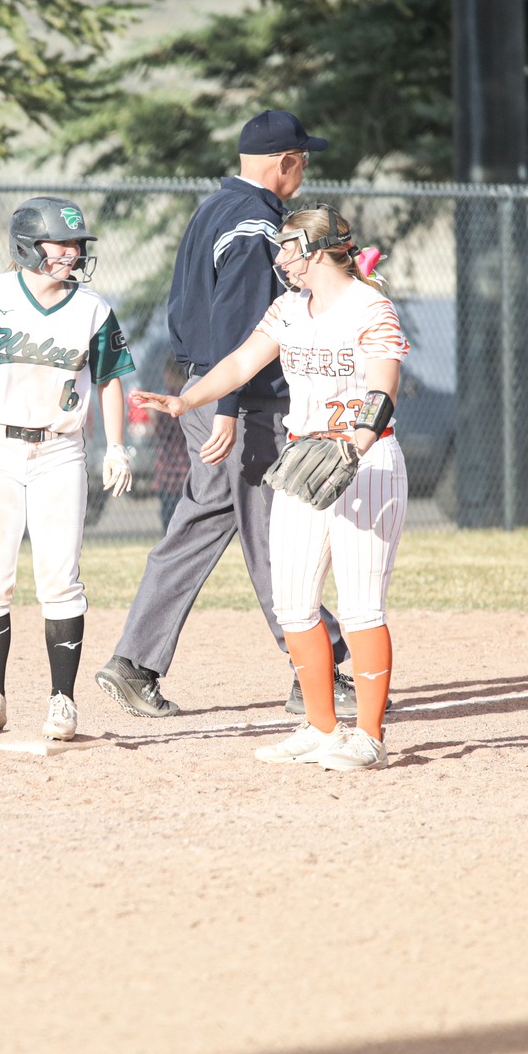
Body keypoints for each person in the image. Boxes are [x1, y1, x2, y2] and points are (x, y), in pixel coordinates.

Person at [93, 109, 354, 720]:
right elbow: (237, 326)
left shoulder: (212, 211)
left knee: (203, 523)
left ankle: (134, 662)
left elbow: (187, 311)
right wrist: (229, 409)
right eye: (302, 158)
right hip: (243, 405)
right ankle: (315, 666)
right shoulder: (255, 224)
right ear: (284, 162)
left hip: (208, 395)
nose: (305, 168)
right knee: (276, 535)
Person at [133, 204, 407, 770]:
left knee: (359, 605)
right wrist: (188, 400)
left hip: (366, 462)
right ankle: (321, 725)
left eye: (289, 248)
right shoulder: (288, 309)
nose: (280, 258)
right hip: (305, 458)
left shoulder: (371, 307)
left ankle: (370, 735)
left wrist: (355, 444)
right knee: (293, 602)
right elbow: (239, 363)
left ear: (320, 250)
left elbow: (384, 387)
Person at [0, 196, 135, 742]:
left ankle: (62, 701)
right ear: (28, 245)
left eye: (76, 245)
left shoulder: (92, 308)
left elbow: (111, 378)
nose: (72, 254)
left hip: (59, 452)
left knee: (59, 577)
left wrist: (116, 446)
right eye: (61, 243)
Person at [151, 361, 189, 530]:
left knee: (168, 522)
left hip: (167, 472)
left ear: (170, 375)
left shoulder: (168, 401)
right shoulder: (191, 398)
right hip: (187, 469)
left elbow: (159, 430)